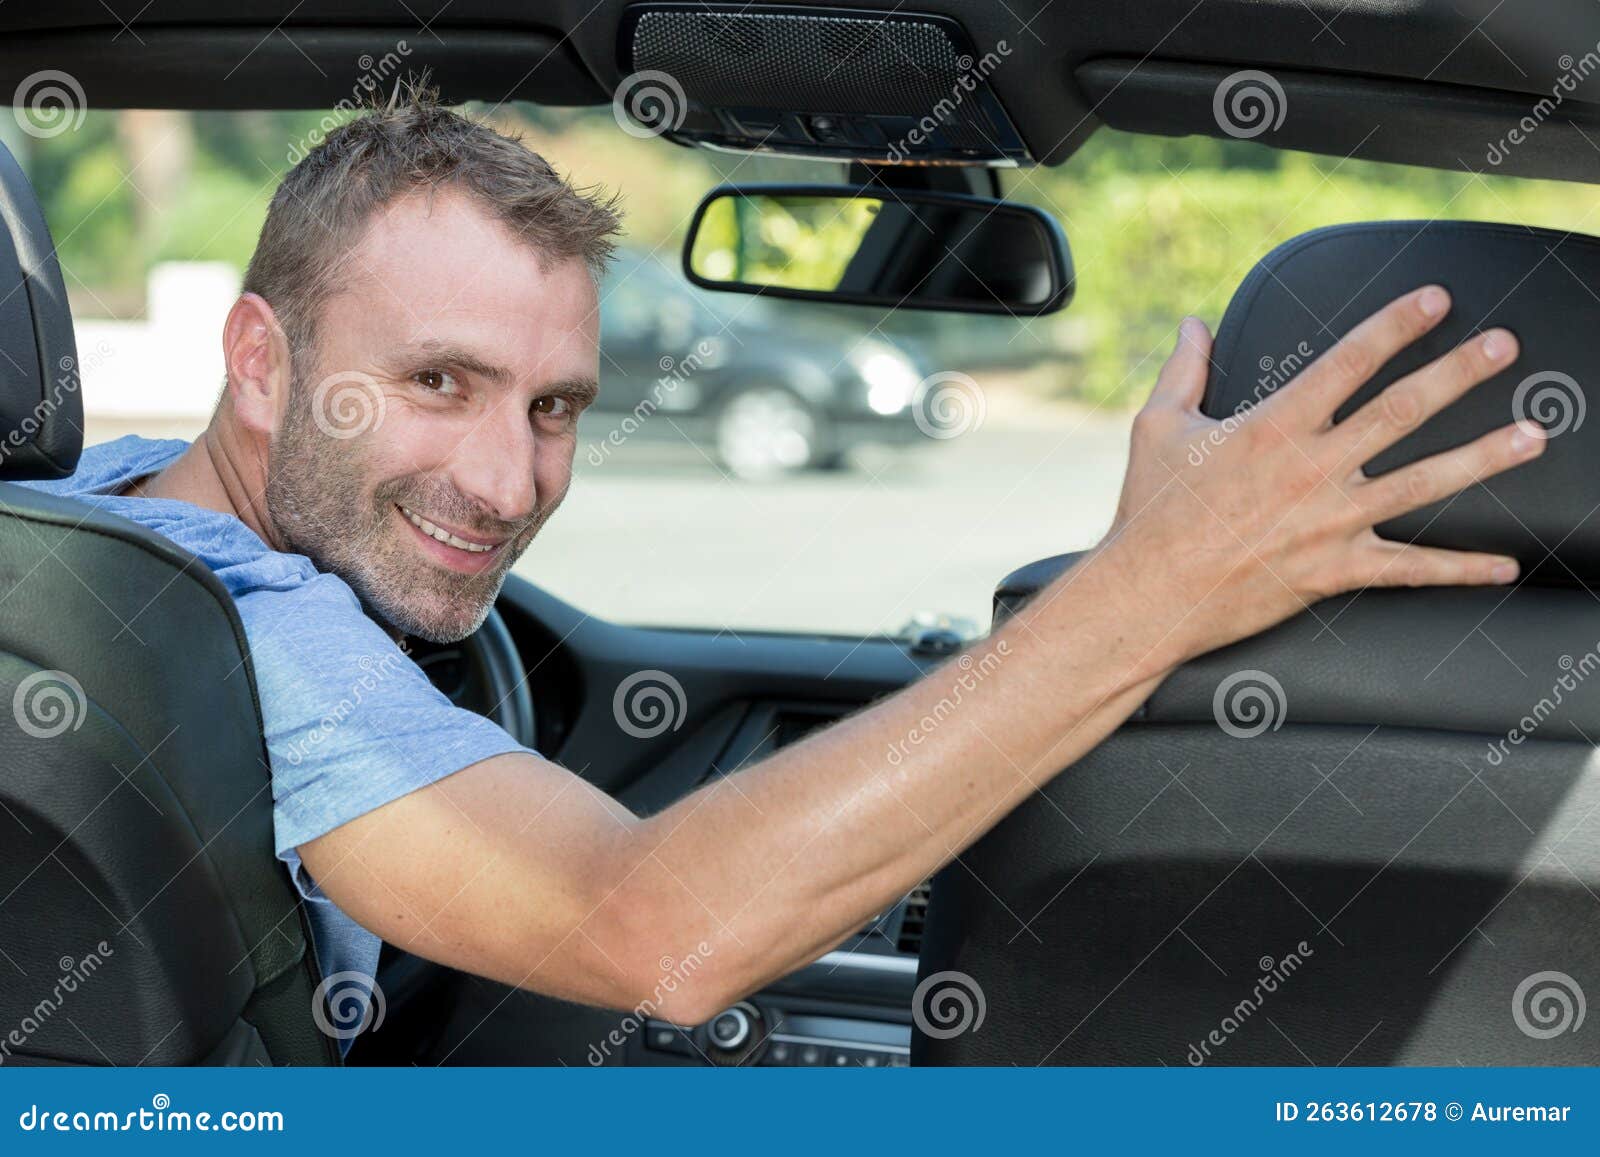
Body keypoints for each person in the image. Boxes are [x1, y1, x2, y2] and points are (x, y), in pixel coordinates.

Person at [23, 90, 1545, 1031]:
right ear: (261, 362)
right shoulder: (254, 630)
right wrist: (1160, 579)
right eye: (438, 381)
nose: (505, 481)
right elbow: (657, 929)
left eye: (553, 407)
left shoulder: (77, 511)